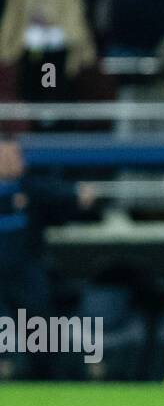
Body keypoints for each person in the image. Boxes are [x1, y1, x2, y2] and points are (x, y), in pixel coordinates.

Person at [0, 137, 96, 378]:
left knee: (40, 327)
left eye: (18, 156)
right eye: (9, 156)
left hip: (26, 272)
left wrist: (82, 197)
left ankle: (44, 378)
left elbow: (72, 198)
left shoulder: (31, 189)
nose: (17, 162)